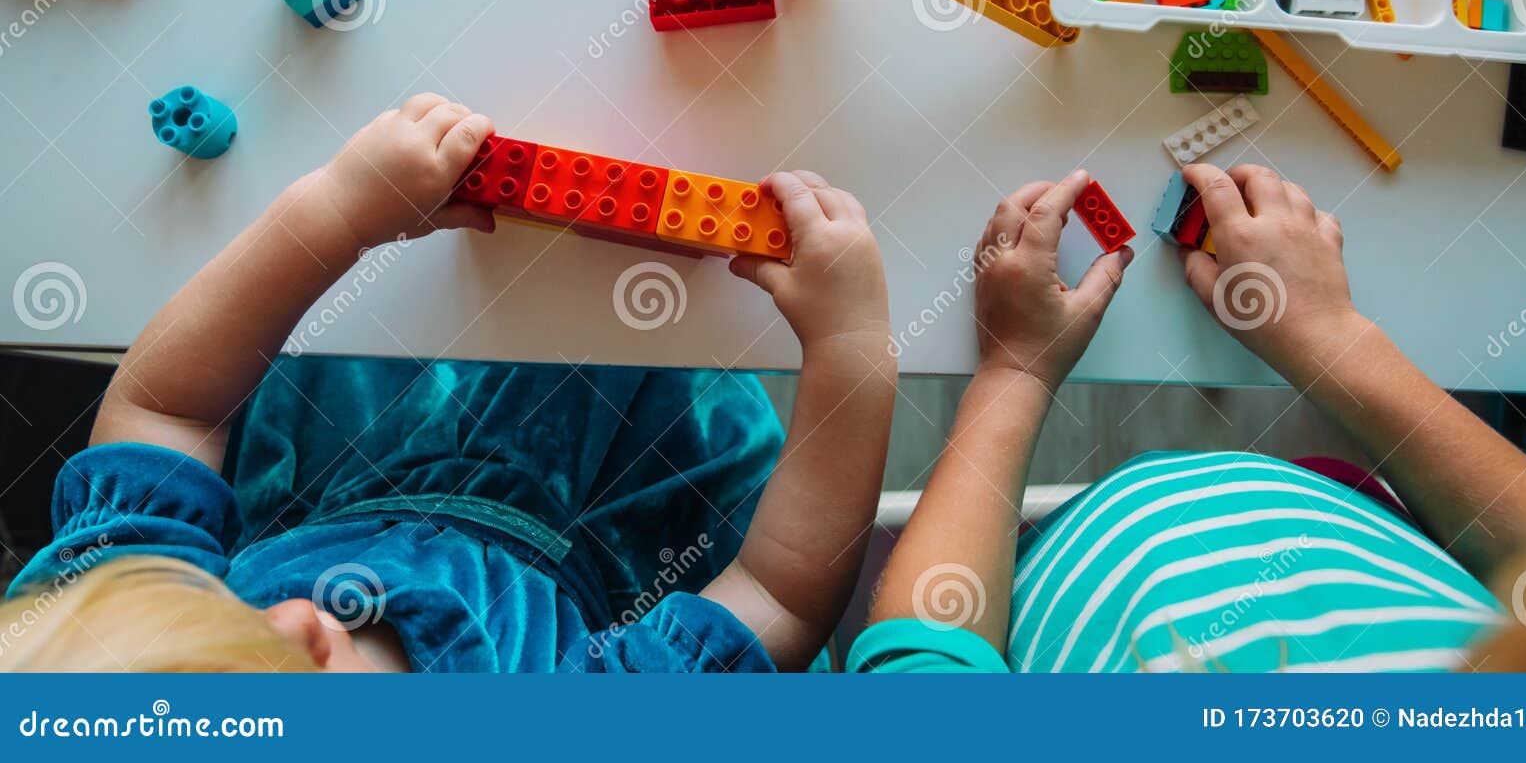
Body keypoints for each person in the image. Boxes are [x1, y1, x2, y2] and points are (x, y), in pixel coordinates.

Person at [0, 95, 896, 672]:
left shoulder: (107, 636)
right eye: (299, 670)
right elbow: (777, 596)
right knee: (681, 328)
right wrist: (851, 342)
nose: (297, 618)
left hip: (342, 461)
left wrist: (335, 211)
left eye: (238, 622)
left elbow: (163, 408)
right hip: (614, 496)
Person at [853, 164, 1526, 673]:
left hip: (1023, 579)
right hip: (1355, 511)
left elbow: (921, 660)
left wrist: (1014, 370)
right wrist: (1329, 336)